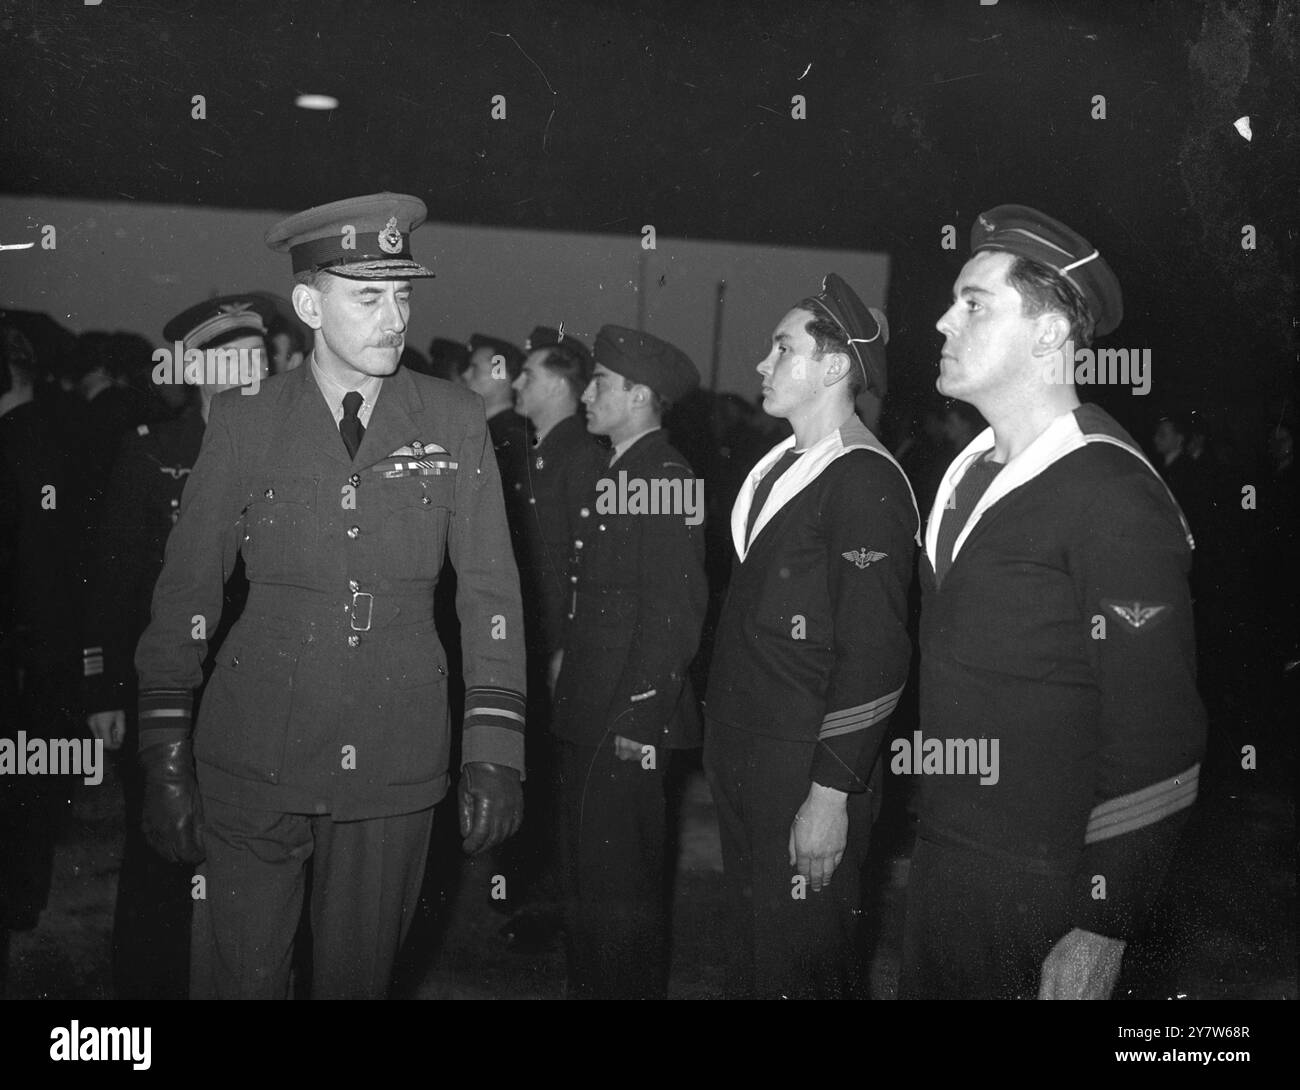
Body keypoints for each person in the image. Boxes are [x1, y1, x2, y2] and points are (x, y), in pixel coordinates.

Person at [131, 192, 527, 999]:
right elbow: (186, 594)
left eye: (403, 295)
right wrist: (164, 753)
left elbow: (491, 593)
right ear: (310, 303)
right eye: (368, 295)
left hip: (392, 758)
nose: (394, 319)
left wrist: (496, 749)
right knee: (239, 983)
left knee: (357, 983)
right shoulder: (245, 421)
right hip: (252, 755)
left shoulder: (453, 420)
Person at [901, 204, 1206, 999]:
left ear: (1047, 336)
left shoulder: (1111, 492)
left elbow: (1158, 733)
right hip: (946, 861)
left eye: (974, 303)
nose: (942, 320)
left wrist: (1105, 923)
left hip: (1045, 885)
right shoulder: (967, 474)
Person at [703, 275, 919, 999]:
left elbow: (878, 652)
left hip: (804, 766)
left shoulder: (864, 481)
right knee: (756, 958)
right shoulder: (782, 467)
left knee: (803, 966)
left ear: (833, 367)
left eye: (781, 348)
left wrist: (830, 794)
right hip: (746, 752)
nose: (762, 365)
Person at [82, 294, 272, 998]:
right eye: (231, 357)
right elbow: (113, 580)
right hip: (169, 693)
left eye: (256, 354)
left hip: (256, 691)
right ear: (193, 368)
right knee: (161, 852)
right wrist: (103, 688)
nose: (248, 369)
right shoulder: (153, 452)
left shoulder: (285, 451)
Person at [550, 325, 707, 999]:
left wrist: (637, 723)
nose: (587, 394)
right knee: (589, 890)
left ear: (641, 395)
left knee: (621, 898)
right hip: (592, 710)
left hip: (625, 722)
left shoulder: (665, 476)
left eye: (602, 384)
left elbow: (674, 612)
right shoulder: (618, 469)